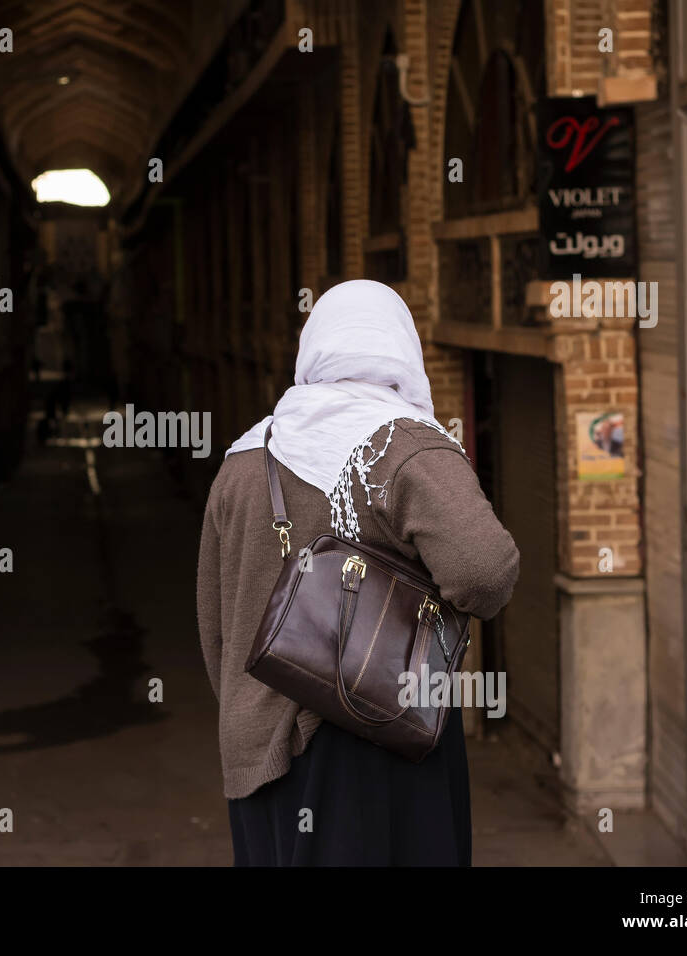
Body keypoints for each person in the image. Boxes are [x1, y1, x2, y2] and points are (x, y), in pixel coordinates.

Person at [195, 279, 520, 866]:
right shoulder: (405, 449)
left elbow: (217, 625)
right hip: (379, 746)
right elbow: (484, 570)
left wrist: (254, 704)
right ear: (401, 348)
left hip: (257, 754)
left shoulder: (242, 460)